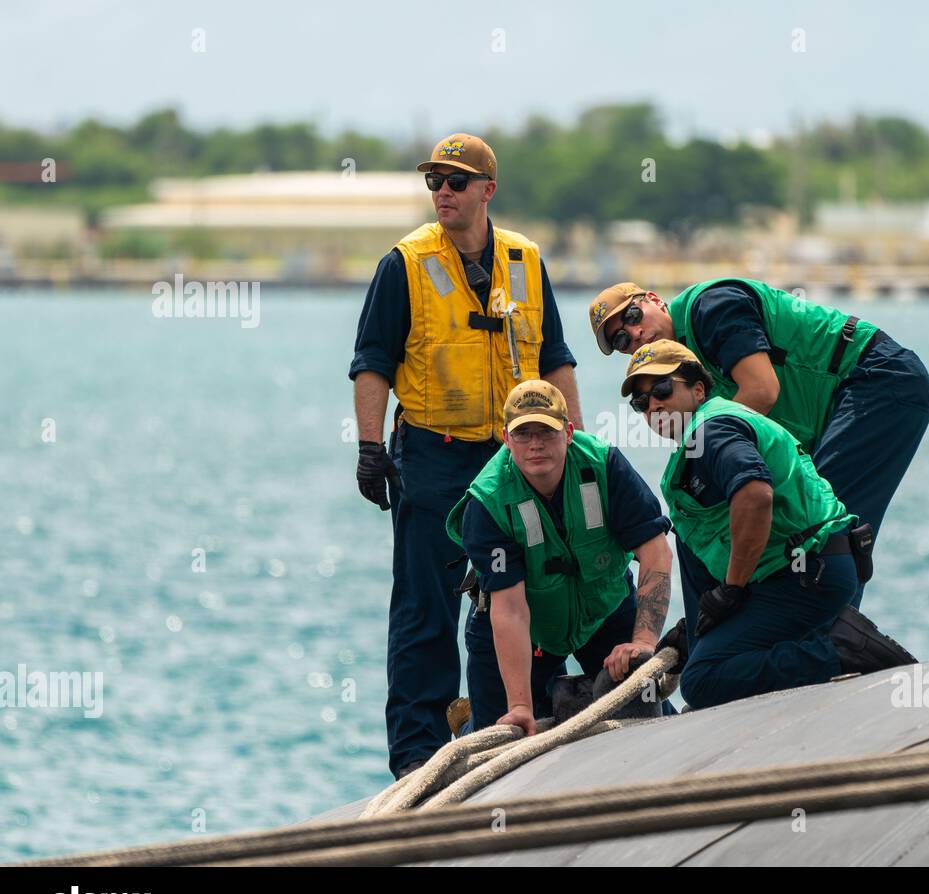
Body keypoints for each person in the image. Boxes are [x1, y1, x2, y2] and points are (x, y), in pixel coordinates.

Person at [349, 133, 582, 779]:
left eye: (456, 181)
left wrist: (578, 446)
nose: (443, 192)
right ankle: (417, 759)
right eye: (434, 182)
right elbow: (371, 364)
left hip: (515, 459)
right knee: (426, 610)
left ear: (488, 189)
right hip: (431, 456)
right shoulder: (405, 263)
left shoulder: (526, 260)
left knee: (522, 596)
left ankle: (510, 726)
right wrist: (370, 450)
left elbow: (555, 358)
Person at [589, 278, 929, 607]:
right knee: (774, 514)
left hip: (877, 379)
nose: (634, 335)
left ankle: (831, 636)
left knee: (823, 522)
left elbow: (761, 391)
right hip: (837, 410)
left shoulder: (712, 307)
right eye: (620, 340)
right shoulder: (681, 370)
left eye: (632, 317)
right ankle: (729, 628)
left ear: (653, 299)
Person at [621, 340, 889, 708]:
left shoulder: (711, 431)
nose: (653, 404)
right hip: (805, 570)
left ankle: (839, 651)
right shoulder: (703, 435)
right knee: (704, 655)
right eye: (641, 402)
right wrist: (696, 627)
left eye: (663, 389)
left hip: (807, 574)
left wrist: (732, 588)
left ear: (698, 388)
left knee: (701, 680)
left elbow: (755, 493)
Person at [446, 380, 673, 735]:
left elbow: (655, 552)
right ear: (506, 438)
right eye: (523, 434)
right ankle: (468, 724)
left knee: (655, 716)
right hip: (524, 629)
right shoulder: (487, 502)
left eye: (546, 431)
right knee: (498, 741)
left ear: (568, 432)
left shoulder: (604, 465)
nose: (535, 444)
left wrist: (643, 643)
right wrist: (520, 706)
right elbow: (511, 609)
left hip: (605, 611)